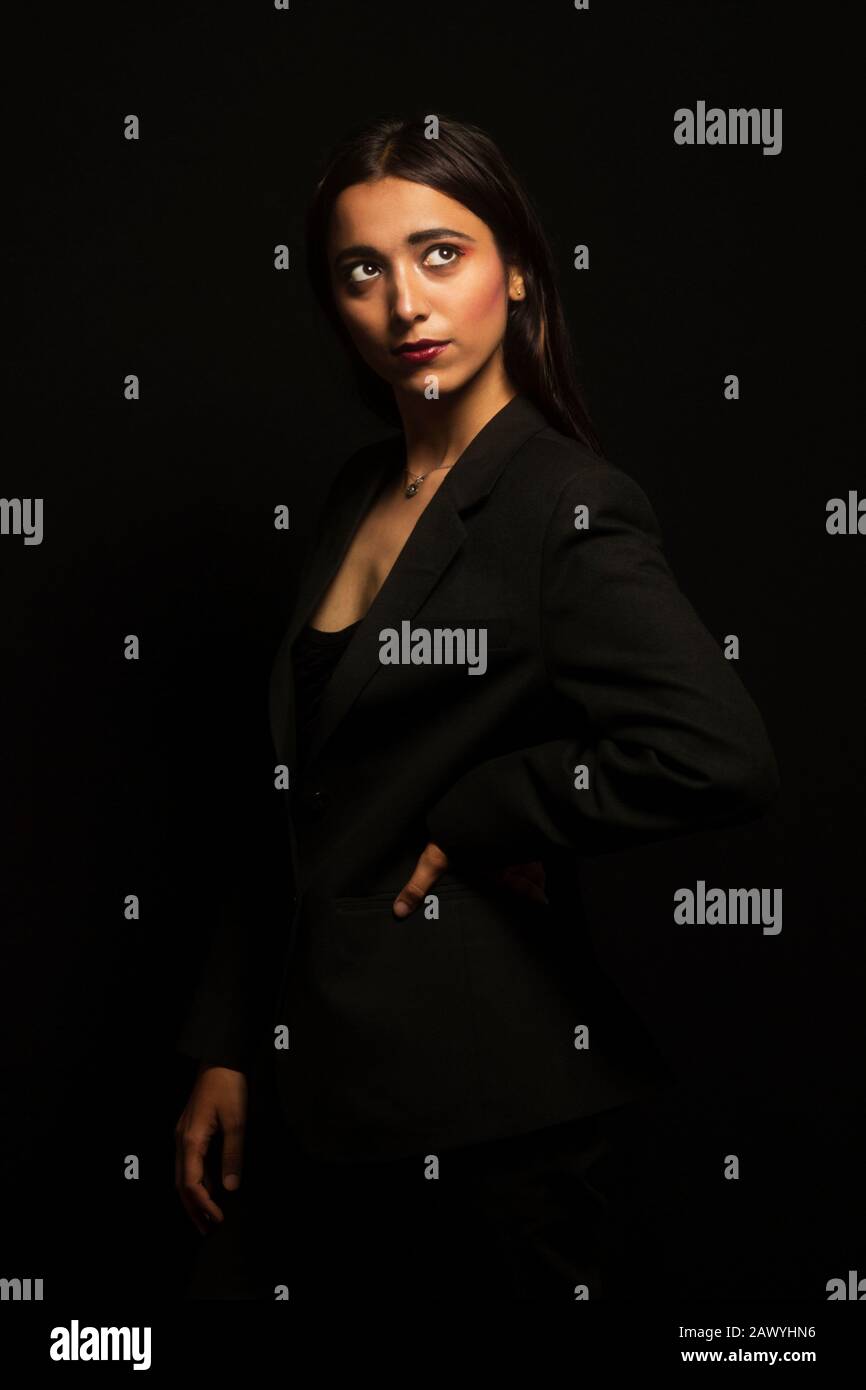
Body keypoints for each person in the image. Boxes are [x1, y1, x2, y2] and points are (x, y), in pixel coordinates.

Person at [174, 113, 780, 1301]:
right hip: (325, 1096)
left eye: (440, 253)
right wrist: (223, 1042)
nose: (405, 303)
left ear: (516, 270)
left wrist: (491, 804)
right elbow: (299, 795)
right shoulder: (359, 488)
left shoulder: (565, 505)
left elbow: (719, 752)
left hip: (493, 1110)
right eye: (363, 270)